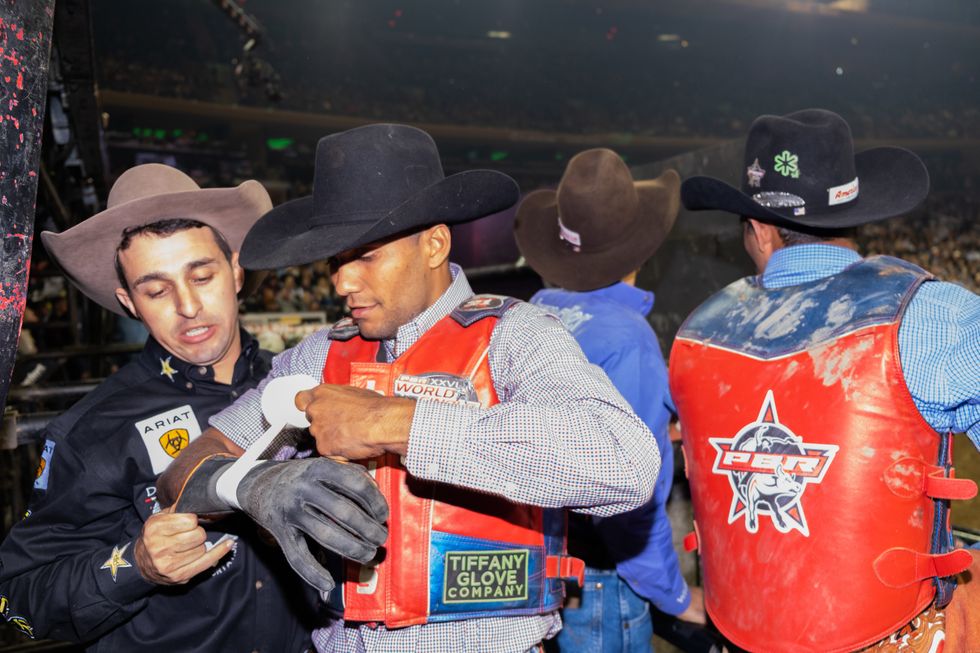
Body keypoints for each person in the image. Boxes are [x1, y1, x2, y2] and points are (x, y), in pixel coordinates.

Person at [159, 123, 662, 653]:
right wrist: (253, 485)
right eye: (335, 261)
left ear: (435, 244)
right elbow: (182, 473)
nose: (342, 283)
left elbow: (625, 463)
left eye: (366, 255)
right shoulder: (317, 356)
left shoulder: (516, 335)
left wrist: (392, 422)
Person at [0, 164, 387, 652]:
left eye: (202, 276)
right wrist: (136, 565)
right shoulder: (91, 430)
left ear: (236, 271)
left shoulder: (303, 385)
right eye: (156, 290)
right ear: (129, 301)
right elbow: (16, 602)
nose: (188, 306)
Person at [671, 109, 979, 653]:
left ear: (760, 231)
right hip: (888, 631)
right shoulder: (934, 315)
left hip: (739, 630)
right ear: (855, 215)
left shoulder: (695, 334)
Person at [514, 148, 705, 652]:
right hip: (605, 580)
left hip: (546, 560)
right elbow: (632, 496)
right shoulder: (629, 340)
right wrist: (674, 593)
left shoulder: (535, 312)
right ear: (640, 253)